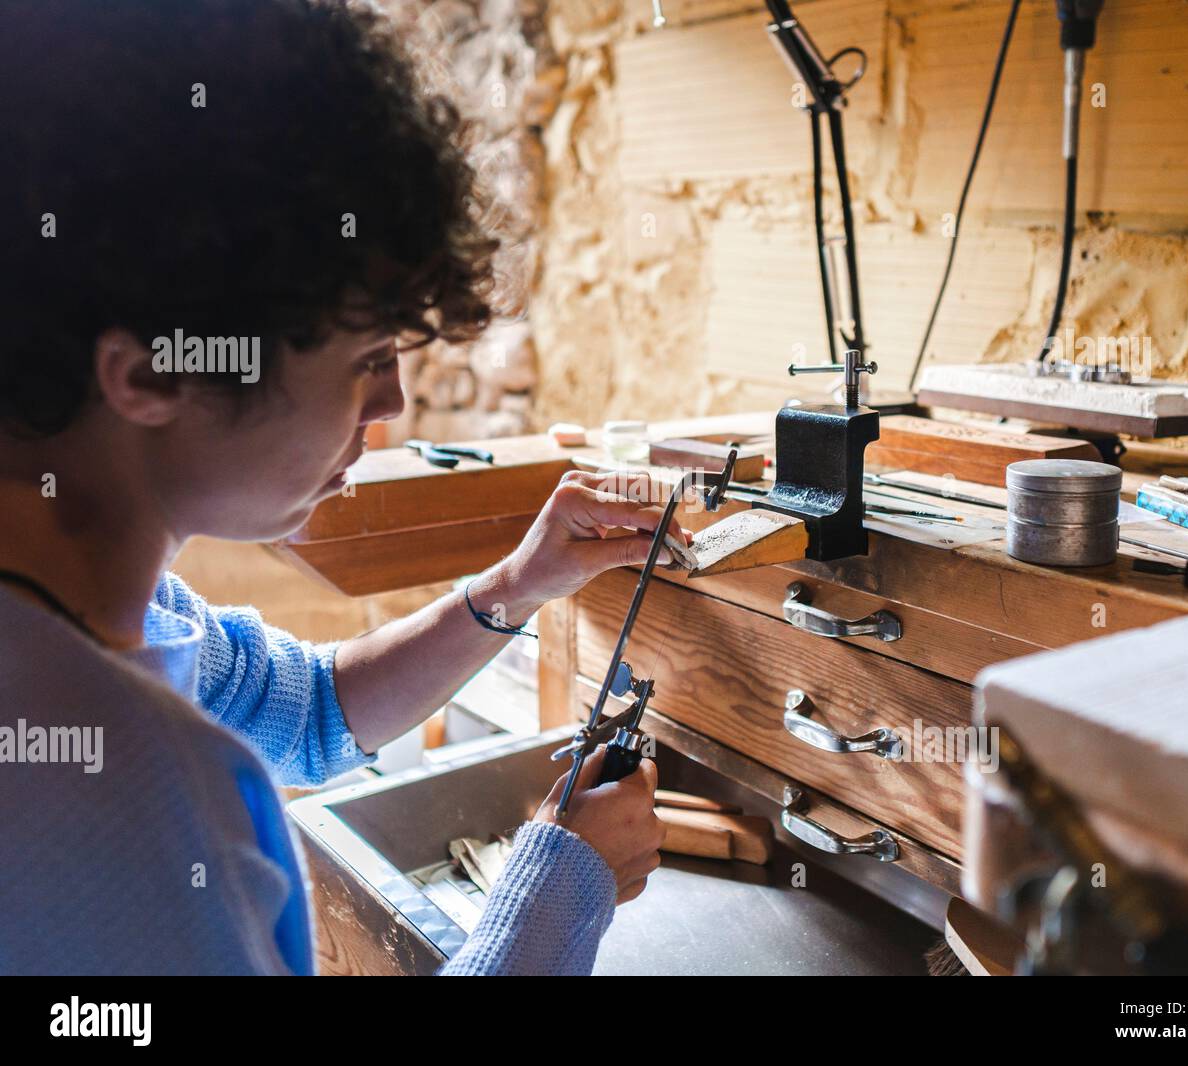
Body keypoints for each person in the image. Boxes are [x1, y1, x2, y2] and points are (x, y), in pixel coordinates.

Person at [0, 0, 680, 975]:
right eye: (367, 359)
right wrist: (558, 886)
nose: (392, 401)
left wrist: (516, 585)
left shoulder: (112, 604)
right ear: (153, 373)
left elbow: (310, 712)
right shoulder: (117, 799)